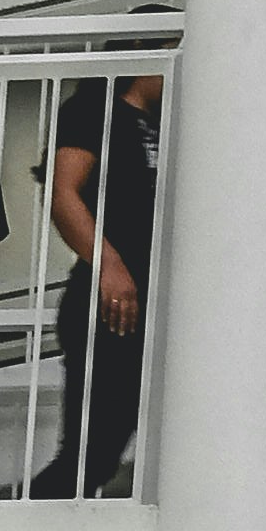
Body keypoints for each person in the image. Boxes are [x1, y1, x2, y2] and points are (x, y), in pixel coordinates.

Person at [33, 65, 165, 497]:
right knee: (90, 456)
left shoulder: (168, 122)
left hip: (157, 300)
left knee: (115, 450)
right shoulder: (94, 111)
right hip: (111, 302)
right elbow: (63, 193)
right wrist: (109, 264)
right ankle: (35, 526)